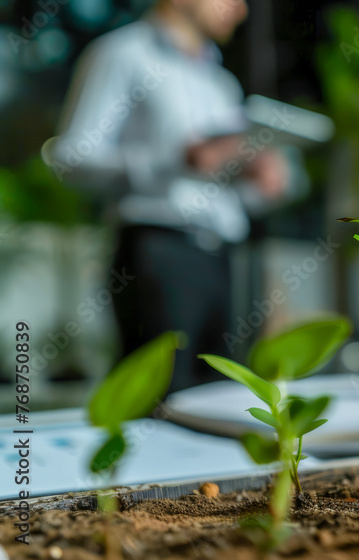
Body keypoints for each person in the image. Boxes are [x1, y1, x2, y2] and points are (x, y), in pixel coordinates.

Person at [45, 0, 302, 392]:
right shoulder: (122, 53)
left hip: (222, 255)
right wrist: (176, 157)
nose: (240, 11)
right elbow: (70, 158)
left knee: (218, 397)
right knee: (161, 396)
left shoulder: (220, 82)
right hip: (158, 251)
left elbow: (217, 175)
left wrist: (255, 177)